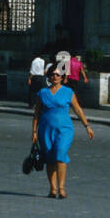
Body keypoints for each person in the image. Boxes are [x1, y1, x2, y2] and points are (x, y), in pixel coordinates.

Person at [31, 66, 94, 197]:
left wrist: (86, 126)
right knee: (49, 158)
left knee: (60, 154)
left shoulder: (68, 92)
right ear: (48, 77)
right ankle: (53, 189)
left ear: (62, 77)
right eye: (52, 74)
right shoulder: (42, 93)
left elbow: (77, 109)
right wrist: (34, 132)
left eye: (58, 75)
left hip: (64, 129)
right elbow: (37, 113)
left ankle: (62, 187)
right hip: (46, 130)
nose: (55, 77)